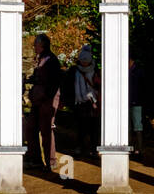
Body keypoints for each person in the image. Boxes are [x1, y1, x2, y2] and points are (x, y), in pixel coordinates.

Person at [24, 33, 61, 170]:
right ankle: (35, 159)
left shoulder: (51, 60)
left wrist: (47, 98)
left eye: (36, 44)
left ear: (42, 45)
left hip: (47, 100)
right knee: (31, 128)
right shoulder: (41, 58)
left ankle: (51, 161)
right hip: (37, 99)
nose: (34, 46)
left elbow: (55, 82)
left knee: (46, 130)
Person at [68, 45, 101, 156]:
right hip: (80, 103)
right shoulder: (74, 71)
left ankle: (92, 148)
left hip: (92, 103)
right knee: (81, 126)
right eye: (83, 61)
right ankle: (82, 147)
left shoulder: (95, 71)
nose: (84, 63)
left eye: (86, 61)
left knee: (93, 127)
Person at [128, 56, 145, 157]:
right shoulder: (127, 71)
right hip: (128, 102)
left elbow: (142, 87)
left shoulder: (138, 71)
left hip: (136, 102)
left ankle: (139, 149)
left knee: (137, 126)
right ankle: (130, 147)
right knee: (128, 127)